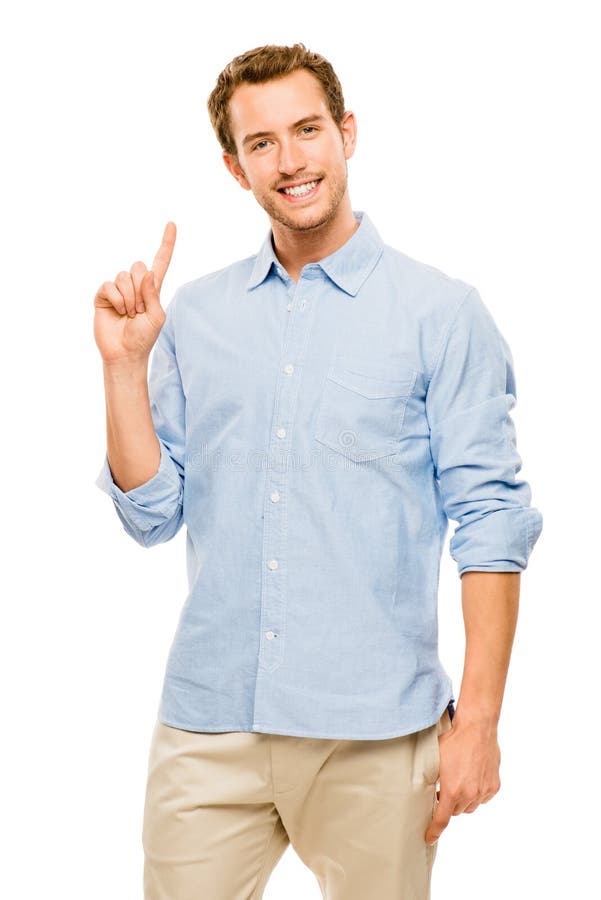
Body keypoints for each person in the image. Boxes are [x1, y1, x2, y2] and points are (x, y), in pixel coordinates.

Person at [93, 43, 543, 900]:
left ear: (346, 133)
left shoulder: (439, 314)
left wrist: (478, 723)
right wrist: (122, 368)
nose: (290, 159)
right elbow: (152, 513)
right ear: (235, 168)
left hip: (376, 735)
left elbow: (490, 519)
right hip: (209, 725)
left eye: (306, 130)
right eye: (261, 143)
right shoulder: (197, 314)